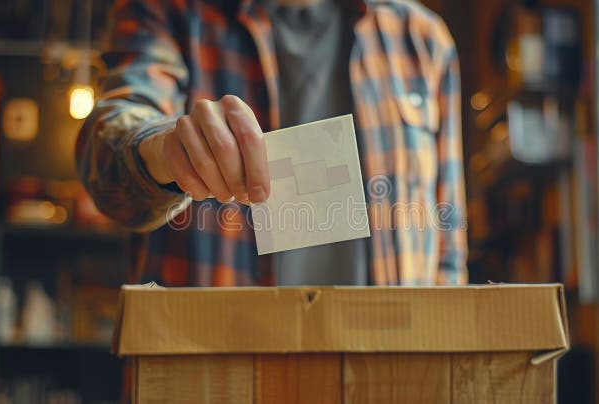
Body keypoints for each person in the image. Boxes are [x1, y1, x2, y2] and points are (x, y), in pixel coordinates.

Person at [77, 0, 467, 287]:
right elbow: (109, 150)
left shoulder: (422, 40)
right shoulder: (168, 12)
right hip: (217, 377)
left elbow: (448, 245)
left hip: (389, 376)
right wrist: (162, 150)